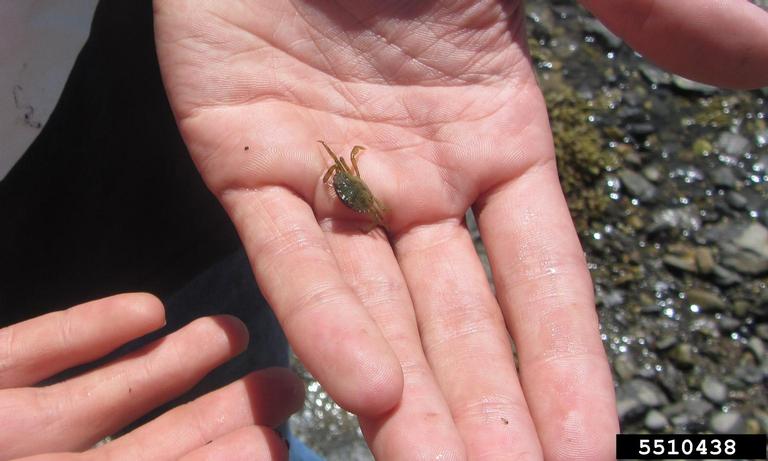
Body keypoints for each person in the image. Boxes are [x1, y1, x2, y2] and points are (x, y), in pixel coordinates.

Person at [1, 0, 767, 460]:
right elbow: (341, 178)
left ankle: (274, 441)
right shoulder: (344, 181)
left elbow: (339, 185)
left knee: (234, 340)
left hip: (137, 74)